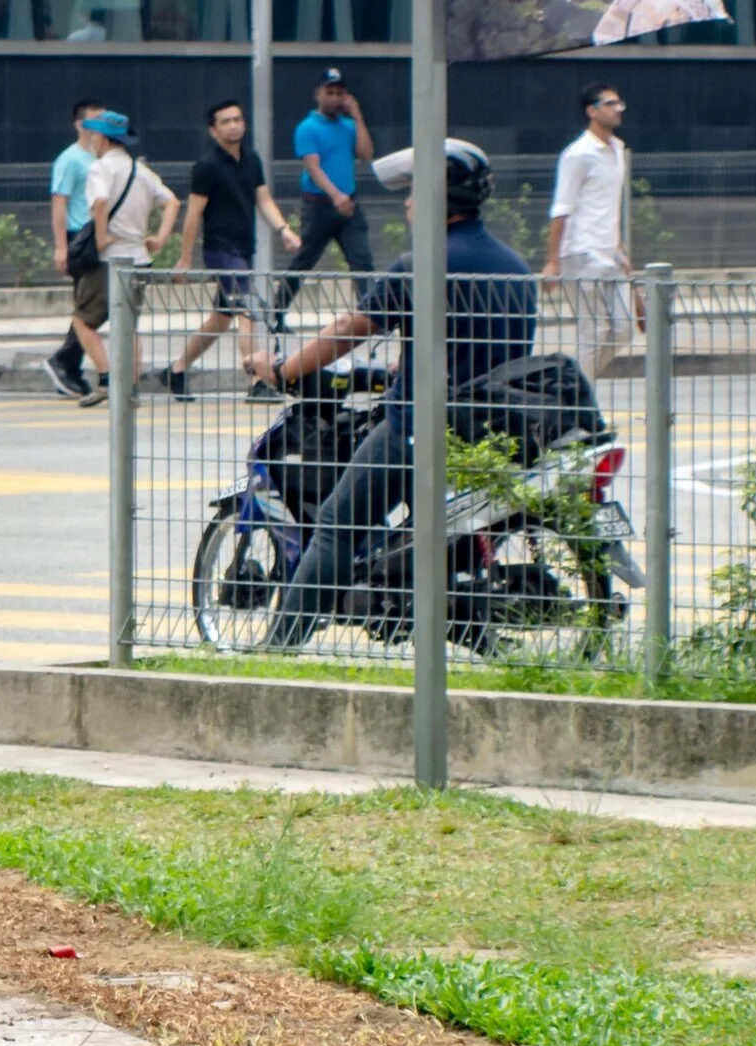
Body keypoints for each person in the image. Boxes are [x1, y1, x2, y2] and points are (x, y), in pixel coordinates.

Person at [244, 141, 537, 650]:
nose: (406, 204)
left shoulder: (419, 264)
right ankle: (483, 640)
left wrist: (285, 370)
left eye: (413, 192)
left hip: (418, 429)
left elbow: (347, 331)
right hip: (492, 432)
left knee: (337, 524)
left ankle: (278, 645)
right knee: (430, 540)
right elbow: (476, 343)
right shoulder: (515, 267)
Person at [162, 98, 299, 403]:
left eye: (237, 119)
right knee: (247, 309)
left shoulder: (251, 160)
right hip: (221, 251)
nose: (234, 125)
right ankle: (256, 380)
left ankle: (177, 370)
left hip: (243, 248)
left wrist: (284, 230)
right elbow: (194, 214)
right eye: (225, 121)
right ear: (213, 130)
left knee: (222, 319)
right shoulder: (207, 166)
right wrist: (184, 258)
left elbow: (263, 200)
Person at [71, 109, 176, 409]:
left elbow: (101, 201)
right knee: (128, 326)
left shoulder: (100, 169)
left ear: (103, 139)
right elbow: (171, 202)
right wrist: (160, 237)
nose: (92, 140)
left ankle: (106, 379)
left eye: (94, 135)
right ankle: (130, 388)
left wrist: (102, 237)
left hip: (110, 260)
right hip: (140, 258)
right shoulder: (141, 171)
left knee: (83, 321)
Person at [543, 82, 633, 378]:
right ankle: (581, 404)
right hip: (580, 253)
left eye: (619, 103)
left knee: (623, 329)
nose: (618, 109)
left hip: (610, 253)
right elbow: (561, 207)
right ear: (591, 111)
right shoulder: (578, 154)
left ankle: (573, 386)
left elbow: (608, 206)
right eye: (610, 103)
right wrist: (553, 260)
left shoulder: (618, 149)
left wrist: (620, 249)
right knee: (592, 331)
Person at [273, 69, 375, 310]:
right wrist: (335, 195)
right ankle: (277, 311)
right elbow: (313, 167)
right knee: (304, 260)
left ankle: (372, 313)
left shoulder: (348, 126)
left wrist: (358, 117)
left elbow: (366, 153)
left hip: (349, 205)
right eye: (329, 92)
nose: (335, 98)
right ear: (318, 94)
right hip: (319, 205)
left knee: (362, 260)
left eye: (339, 93)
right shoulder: (307, 128)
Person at [40, 98, 102, 398]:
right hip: (81, 237)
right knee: (88, 307)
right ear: (79, 124)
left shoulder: (101, 156)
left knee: (88, 306)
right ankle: (65, 361)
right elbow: (59, 203)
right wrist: (61, 247)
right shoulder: (70, 159)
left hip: (98, 236)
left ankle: (69, 364)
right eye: (93, 121)